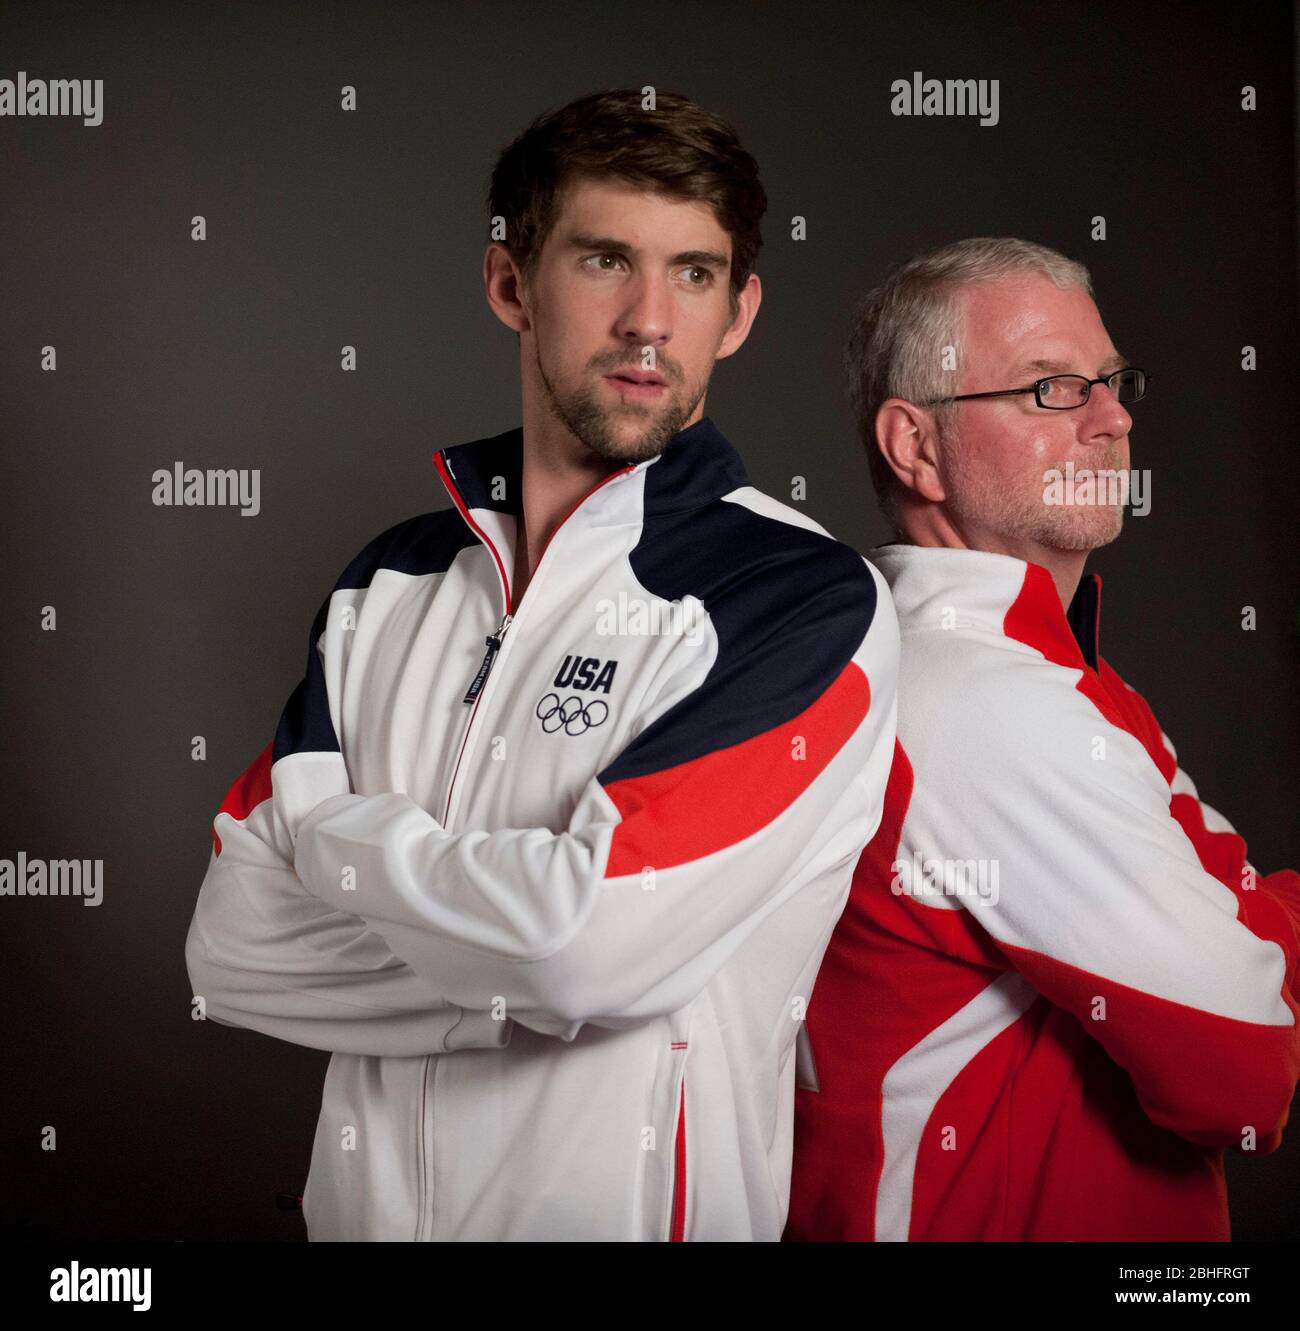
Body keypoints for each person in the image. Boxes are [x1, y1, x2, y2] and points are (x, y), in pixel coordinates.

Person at [185, 88, 900, 1241]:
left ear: (742, 311)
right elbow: (232, 946)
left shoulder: (799, 599)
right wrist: (529, 966)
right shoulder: (386, 583)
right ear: (511, 283)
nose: (649, 320)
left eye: (696, 274)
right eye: (605, 259)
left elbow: (579, 948)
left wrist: (332, 840)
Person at [785, 236, 1300, 1242]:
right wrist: (1241, 937)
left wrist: (1244, 931)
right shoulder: (983, 698)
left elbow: (1236, 902)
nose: (1112, 420)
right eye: (1049, 389)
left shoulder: (1045, 671)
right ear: (914, 446)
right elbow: (1243, 1067)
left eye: (1109, 382)